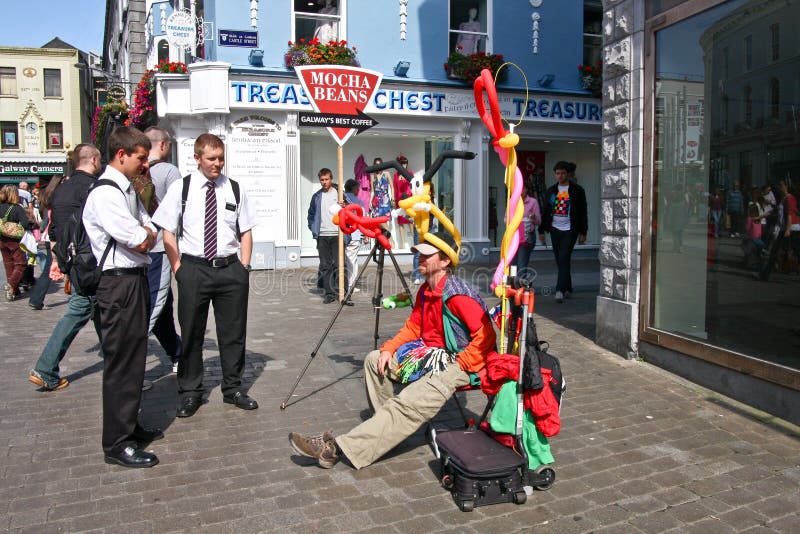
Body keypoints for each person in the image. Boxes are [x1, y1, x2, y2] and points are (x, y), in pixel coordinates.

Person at [289, 230, 498, 469]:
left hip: (462, 362)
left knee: (408, 400)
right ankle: (386, 434)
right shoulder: (425, 291)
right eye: (418, 254)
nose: (419, 259)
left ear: (445, 261)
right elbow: (413, 327)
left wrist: (459, 365)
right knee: (373, 360)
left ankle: (337, 448)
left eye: (427, 255)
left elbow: (487, 337)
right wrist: (388, 349)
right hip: (427, 354)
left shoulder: (458, 296)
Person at [152, 133, 258, 418]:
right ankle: (190, 392)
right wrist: (178, 269)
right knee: (191, 334)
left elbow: (245, 230)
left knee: (233, 333)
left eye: (221, 158)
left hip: (230, 270)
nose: (218, 164)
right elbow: (168, 231)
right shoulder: (181, 188)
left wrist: (244, 268)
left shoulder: (234, 188)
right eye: (212, 159)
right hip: (194, 269)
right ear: (197, 158)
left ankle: (234, 388)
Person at [82, 126, 161, 468]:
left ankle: (128, 425)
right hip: (117, 283)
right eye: (141, 158)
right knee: (121, 363)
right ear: (121, 155)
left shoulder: (127, 189)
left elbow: (151, 230)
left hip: (133, 279)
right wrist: (145, 235)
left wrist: (146, 234)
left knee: (134, 358)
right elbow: (137, 237)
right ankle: (116, 442)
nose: (145, 165)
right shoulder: (106, 193)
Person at [28, 145, 105, 391]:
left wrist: (58, 262)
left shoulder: (61, 189)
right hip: (90, 262)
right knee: (80, 310)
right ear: (93, 160)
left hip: (72, 260)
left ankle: (118, 366)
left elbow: (53, 230)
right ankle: (45, 368)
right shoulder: (93, 187)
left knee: (101, 316)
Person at [143, 126, 182, 372]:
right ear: (164, 145)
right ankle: (129, 362)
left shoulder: (134, 172)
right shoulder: (169, 171)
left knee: (163, 303)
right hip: (160, 248)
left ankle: (178, 354)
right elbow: (181, 210)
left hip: (139, 250)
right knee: (155, 303)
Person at [538, 161, 588, 303]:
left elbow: (583, 212)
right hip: (555, 229)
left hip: (570, 230)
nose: (560, 176)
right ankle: (568, 288)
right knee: (560, 260)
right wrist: (541, 230)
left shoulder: (577, 190)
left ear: (568, 174)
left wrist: (583, 232)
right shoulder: (552, 191)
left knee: (564, 258)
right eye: (558, 173)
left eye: (563, 173)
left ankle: (559, 290)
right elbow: (545, 211)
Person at [307, 168, 351, 305]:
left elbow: (350, 211)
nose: (324, 182)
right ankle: (329, 293)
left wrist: (345, 206)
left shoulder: (339, 194)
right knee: (325, 265)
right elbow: (311, 215)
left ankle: (343, 294)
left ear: (331, 179)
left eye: (326, 179)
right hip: (323, 236)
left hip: (338, 234)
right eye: (322, 180)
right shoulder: (317, 196)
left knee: (340, 265)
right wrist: (314, 228)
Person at [27, 176, 62, 310]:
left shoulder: (46, 198)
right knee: (49, 268)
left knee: (50, 267)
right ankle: (36, 299)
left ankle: (36, 299)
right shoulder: (54, 198)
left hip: (49, 235)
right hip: (53, 235)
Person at [0, 185, 35, 301]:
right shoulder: (17, 208)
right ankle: (11, 285)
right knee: (21, 263)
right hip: (15, 240)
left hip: (2, 240)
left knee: (8, 264)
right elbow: (25, 223)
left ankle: (15, 291)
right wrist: (32, 224)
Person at [513, 176, 542, 280]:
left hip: (526, 237)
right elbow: (506, 219)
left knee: (522, 262)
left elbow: (539, 221)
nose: (521, 191)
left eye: (523, 188)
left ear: (527, 189)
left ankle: (521, 286)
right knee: (512, 263)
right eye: (518, 188)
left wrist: (533, 218)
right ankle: (513, 286)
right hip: (514, 236)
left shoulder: (532, 202)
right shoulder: (513, 201)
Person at [343, 179, 365, 293]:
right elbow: (363, 220)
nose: (358, 191)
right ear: (353, 189)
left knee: (343, 260)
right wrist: (366, 235)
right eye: (357, 189)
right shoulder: (359, 203)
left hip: (341, 233)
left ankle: (344, 283)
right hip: (354, 234)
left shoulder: (341, 199)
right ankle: (351, 284)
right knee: (352, 260)